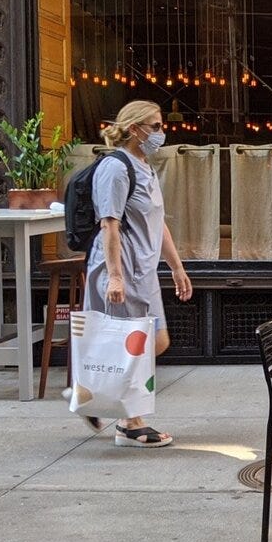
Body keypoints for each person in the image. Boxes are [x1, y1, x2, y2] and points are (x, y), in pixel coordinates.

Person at [85, 100, 193, 447]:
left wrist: (176, 267)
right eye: (155, 126)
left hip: (144, 269)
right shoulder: (115, 168)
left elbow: (157, 223)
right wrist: (115, 276)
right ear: (134, 129)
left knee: (157, 342)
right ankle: (130, 423)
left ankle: (93, 389)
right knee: (133, 344)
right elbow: (109, 224)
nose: (162, 132)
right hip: (123, 265)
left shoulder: (144, 166)